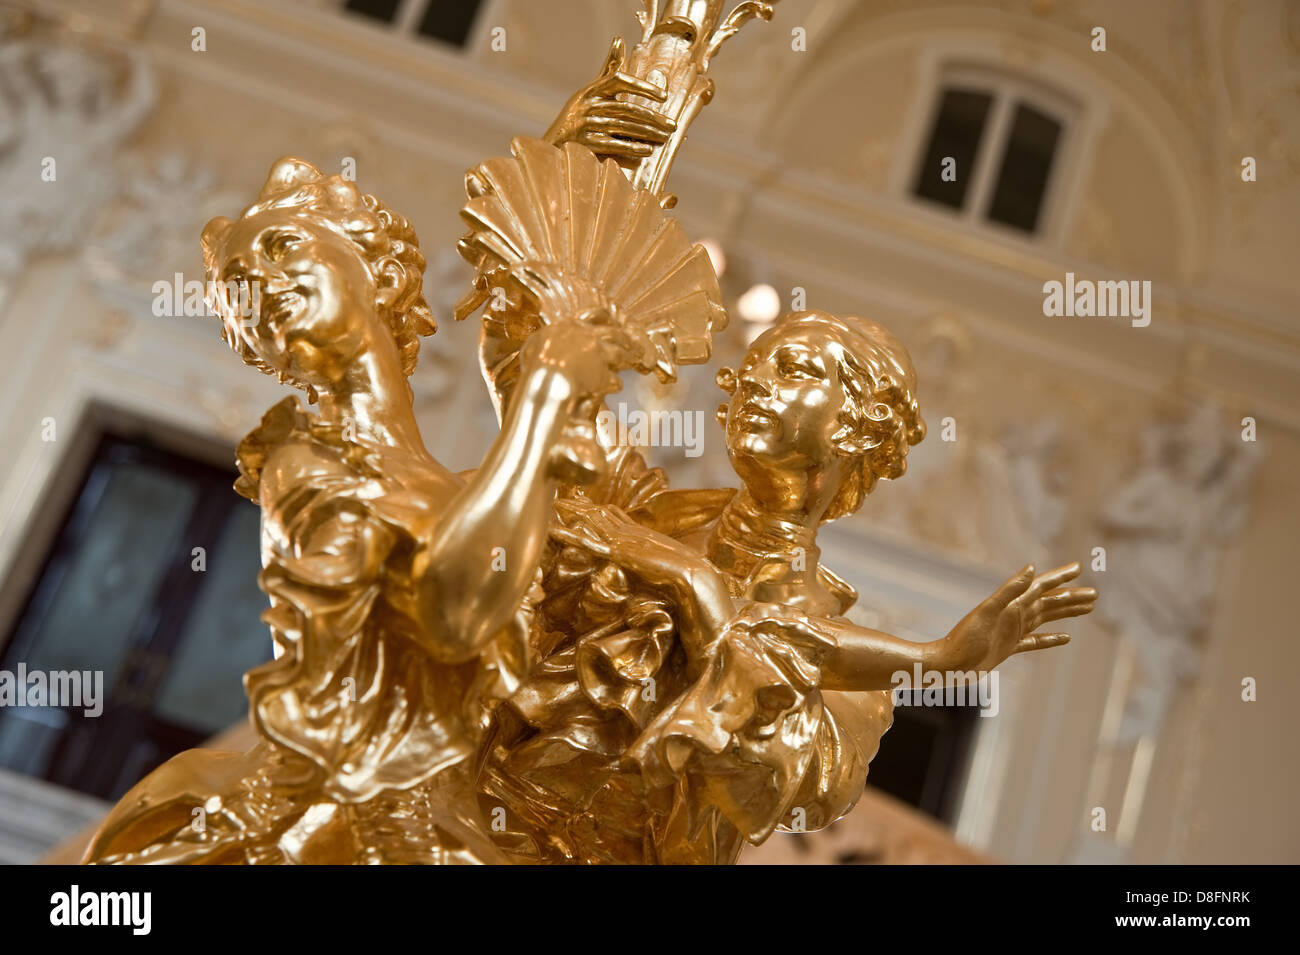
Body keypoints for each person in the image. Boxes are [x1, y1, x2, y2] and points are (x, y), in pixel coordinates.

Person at [84, 157, 623, 864]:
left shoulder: (465, 491)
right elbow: (450, 609)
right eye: (240, 288)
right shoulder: (304, 461)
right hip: (341, 817)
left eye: (284, 248)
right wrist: (544, 403)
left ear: (381, 269)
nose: (263, 284)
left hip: (460, 824)